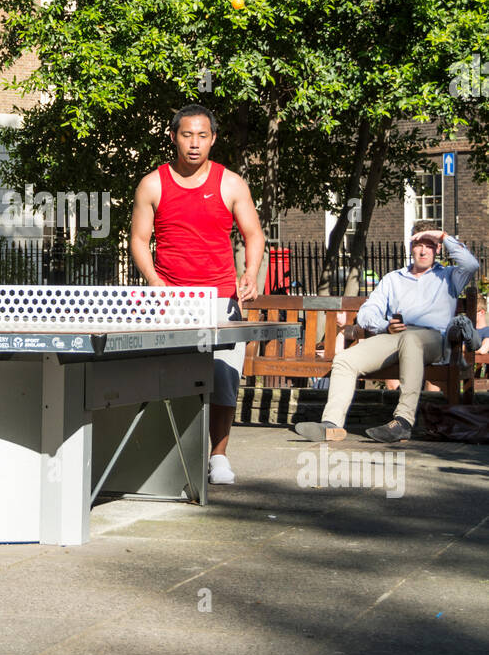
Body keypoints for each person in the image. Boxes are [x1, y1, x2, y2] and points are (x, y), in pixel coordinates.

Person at [130, 103, 265, 485]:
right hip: (172, 302)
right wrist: (154, 281)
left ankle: (218, 458)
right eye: (187, 135)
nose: (194, 143)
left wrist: (250, 273)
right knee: (170, 378)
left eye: (202, 136)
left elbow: (254, 235)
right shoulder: (152, 184)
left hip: (222, 300)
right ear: (173, 137)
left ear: (213, 139)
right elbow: (140, 240)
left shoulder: (231, 183)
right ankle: (168, 454)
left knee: (224, 378)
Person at [294, 226, 479, 444]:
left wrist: (443, 236)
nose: (423, 251)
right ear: (411, 248)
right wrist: (384, 326)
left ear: (437, 249)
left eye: (429, 245)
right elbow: (367, 312)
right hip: (394, 336)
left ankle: (403, 421)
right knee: (345, 360)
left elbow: (471, 264)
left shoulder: (450, 277)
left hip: (433, 339)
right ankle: (332, 424)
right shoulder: (393, 279)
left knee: (411, 340)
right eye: (419, 245)